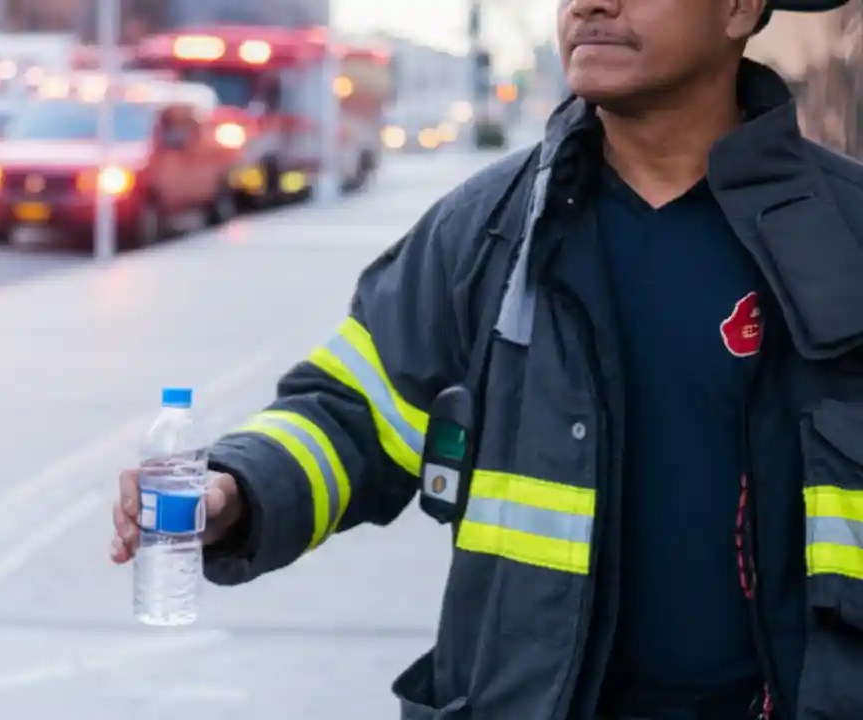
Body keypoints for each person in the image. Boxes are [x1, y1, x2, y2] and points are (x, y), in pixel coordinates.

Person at [110, 0, 863, 718]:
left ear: (738, 10)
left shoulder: (846, 235)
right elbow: (352, 414)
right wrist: (236, 485)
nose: (589, 6)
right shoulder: (489, 234)